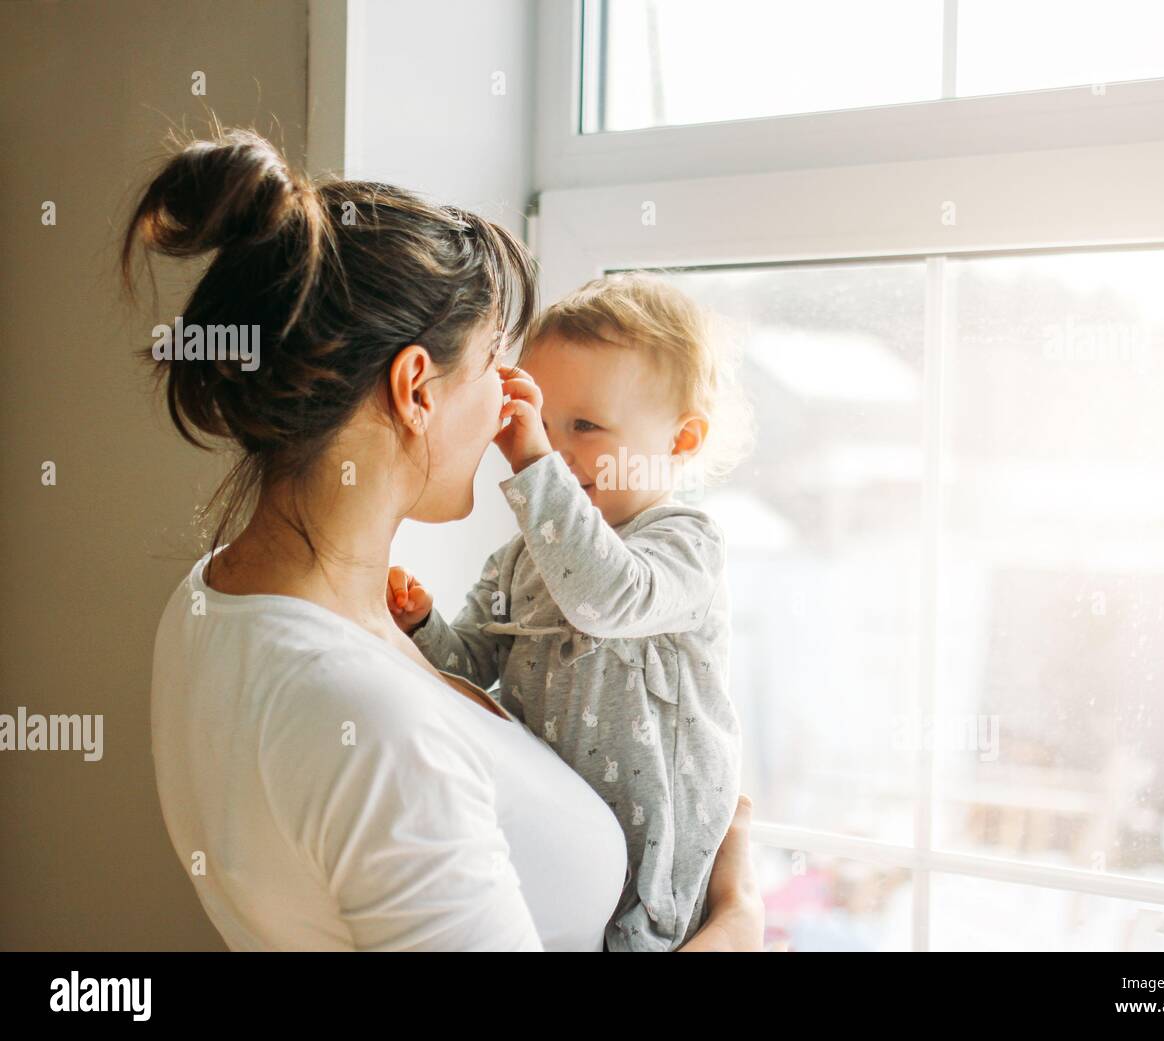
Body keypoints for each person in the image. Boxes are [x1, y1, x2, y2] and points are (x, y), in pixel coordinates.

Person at [127, 123, 764, 951]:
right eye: (500, 365)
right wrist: (739, 925)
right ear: (417, 391)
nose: (515, 406)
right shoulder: (369, 722)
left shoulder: (211, 597)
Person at [388, 273, 752, 951]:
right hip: (560, 865)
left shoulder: (685, 544)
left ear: (681, 441)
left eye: (584, 426)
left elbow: (606, 596)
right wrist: (422, 626)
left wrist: (530, 458)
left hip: (659, 883)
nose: (553, 447)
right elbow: (469, 669)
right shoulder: (523, 557)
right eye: (540, 421)